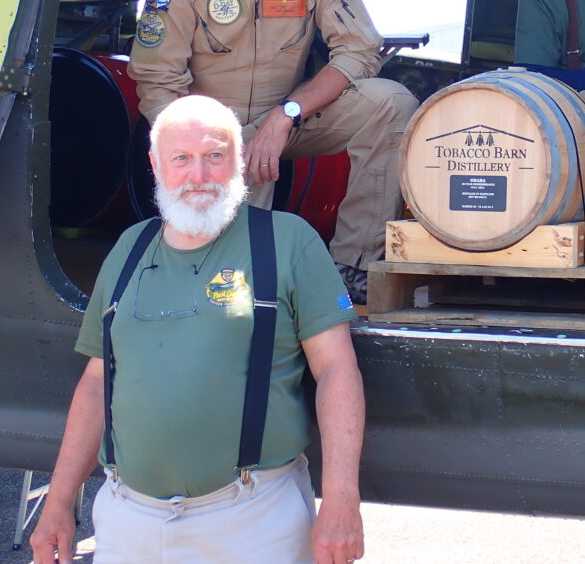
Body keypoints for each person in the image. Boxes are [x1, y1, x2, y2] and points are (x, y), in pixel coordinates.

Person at [30, 95, 364, 564]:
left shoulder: (288, 240)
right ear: (155, 164)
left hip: (255, 522)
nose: (199, 175)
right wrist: (59, 501)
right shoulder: (130, 246)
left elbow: (337, 370)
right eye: (181, 159)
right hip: (128, 522)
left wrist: (341, 500)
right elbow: (96, 380)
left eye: (214, 156)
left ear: (239, 160)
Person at [128, 0, 418, 301]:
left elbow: (360, 48)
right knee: (225, 285)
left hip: (287, 119)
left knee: (390, 104)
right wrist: (200, 154)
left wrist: (286, 115)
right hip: (212, 134)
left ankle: (352, 266)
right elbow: (156, 83)